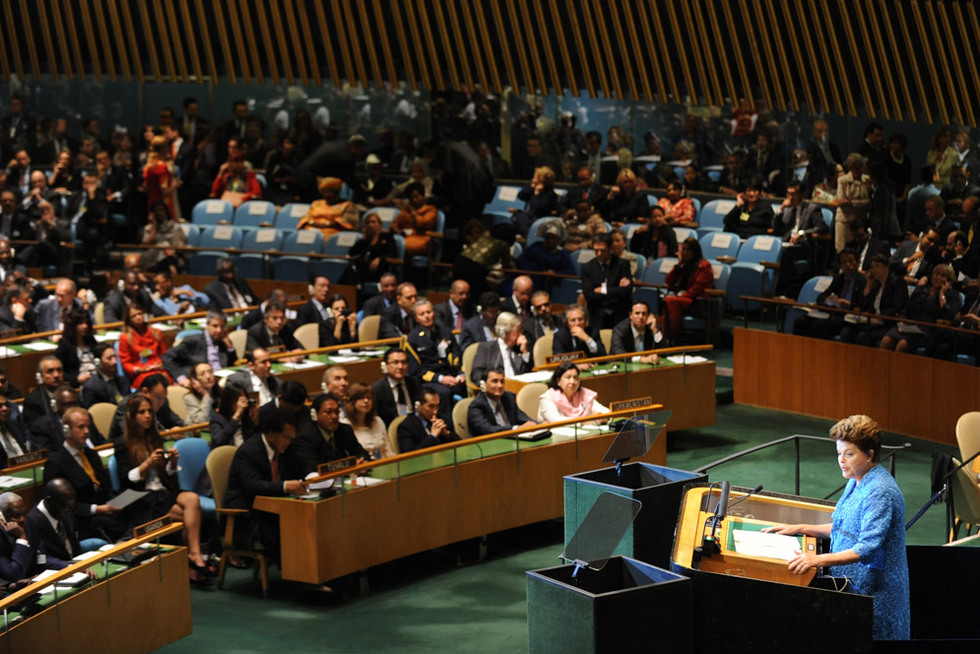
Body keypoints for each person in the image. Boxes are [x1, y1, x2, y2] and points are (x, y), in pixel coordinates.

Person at [764, 415, 909, 640]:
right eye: (839, 453)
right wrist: (801, 527)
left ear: (870, 455)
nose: (841, 460)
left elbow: (866, 548)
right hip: (852, 587)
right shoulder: (856, 478)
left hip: (874, 595)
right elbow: (843, 527)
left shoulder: (880, 491)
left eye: (849, 454)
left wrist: (816, 560)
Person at [114, 395, 212, 584]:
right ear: (132, 416)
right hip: (141, 497)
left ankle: (194, 554)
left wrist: (172, 464)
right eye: (142, 412)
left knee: (192, 499)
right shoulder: (122, 443)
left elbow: (166, 476)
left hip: (162, 493)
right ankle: (192, 564)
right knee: (188, 517)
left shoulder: (154, 437)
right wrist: (147, 463)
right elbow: (126, 479)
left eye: (150, 411)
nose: (148, 416)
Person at [223, 407, 307, 558]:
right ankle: (296, 578)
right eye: (286, 437)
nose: (289, 442)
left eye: (291, 437)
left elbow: (300, 469)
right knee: (289, 529)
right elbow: (253, 485)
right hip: (248, 516)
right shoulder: (248, 452)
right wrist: (285, 486)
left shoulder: (288, 447)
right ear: (270, 433)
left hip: (275, 509)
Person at [42, 407, 127, 541]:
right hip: (82, 520)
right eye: (81, 427)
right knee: (120, 526)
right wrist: (97, 509)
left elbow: (106, 487)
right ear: (66, 430)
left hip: (106, 511)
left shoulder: (92, 455)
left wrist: (118, 503)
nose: (86, 431)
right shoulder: (56, 462)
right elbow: (59, 506)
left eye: (88, 426)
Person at [880, 264, 960, 353]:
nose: (938, 277)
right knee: (886, 340)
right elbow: (905, 310)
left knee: (902, 345)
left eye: (942, 276)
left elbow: (949, 314)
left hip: (926, 330)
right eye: (936, 274)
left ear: (949, 281)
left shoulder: (952, 295)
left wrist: (941, 295)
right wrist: (902, 322)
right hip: (908, 326)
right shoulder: (921, 290)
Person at [292, 393, 369, 477]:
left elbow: (362, 453)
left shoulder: (345, 430)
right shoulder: (305, 437)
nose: (334, 416)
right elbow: (312, 469)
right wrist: (349, 467)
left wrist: (362, 462)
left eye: (337, 411)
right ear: (314, 415)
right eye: (328, 412)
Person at [663, 237, 714, 343]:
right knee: (664, 300)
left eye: (688, 250)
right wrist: (679, 264)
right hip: (683, 300)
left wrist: (680, 296)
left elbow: (698, 289)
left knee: (671, 301)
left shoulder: (704, 266)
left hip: (697, 302)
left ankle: (671, 339)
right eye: (683, 250)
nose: (685, 253)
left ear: (695, 252)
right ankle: (663, 337)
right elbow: (669, 281)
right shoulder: (684, 265)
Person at [162, 310, 235, 385]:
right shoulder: (193, 341)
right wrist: (181, 378)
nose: (219, 330)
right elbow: (167, 357)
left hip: (223, 378)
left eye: (222, 327)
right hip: (201, 382)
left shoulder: (223, 341)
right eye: (215, 326)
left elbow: (232, 364)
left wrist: (230, 347)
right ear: (207, 325)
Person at [581, 233, 633, 330]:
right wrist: (615, 290)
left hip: (619, 313)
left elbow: (626, 291)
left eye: (603, 250)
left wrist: (602, 290)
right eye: (596, 250)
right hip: (597, 314)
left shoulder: (622, 264)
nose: (599, 254)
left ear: (610, 248)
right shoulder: (587, 267)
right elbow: (589, 295)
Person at [467, 368, 536, 436]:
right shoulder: (477, 406)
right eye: (495, 381)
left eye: (502, 381)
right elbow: (487, 430)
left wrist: (538, 424)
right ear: (484, 384)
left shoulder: (509, 397)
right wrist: (516, 428)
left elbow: (522, 417)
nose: (499, 386)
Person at [470, 312, 533, 382]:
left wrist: (525, 352)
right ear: (504, 332)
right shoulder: (486, 348)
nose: (521, 335)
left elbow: (528, 373)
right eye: (517, 331)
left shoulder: (518, 348)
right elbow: (476, 374)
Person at [118, 305, 170, 389]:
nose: (138, 317)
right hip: (141, 373)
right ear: (129, 320)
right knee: (154, 384)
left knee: (167, 380)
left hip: (158, 370)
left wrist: (162, 364)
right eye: (134, 316)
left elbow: (164, 355)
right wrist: (139, 369)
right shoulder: (125, 338)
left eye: (140, 314)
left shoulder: (156, 333)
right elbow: (125, 363)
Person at [537, 362, 608, 423]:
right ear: (558, 381)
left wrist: (601, 417)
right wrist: (587, 421)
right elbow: (556, 421)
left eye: (575, 378)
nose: (572, 382)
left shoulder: (583, 394)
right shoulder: (547, 398)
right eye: (568, 378)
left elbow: (606, 412)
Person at [372, 348, 425, 427]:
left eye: (404, 362)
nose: (400, 367)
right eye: (395, 363)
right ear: (386, 365)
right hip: (392, 429)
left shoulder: (414, 382)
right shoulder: (377, 389)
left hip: (415, 426)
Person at [347, 213, 396, 295]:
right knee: (352, 266)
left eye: (373, 222)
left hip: (381, 269)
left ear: (380, 224)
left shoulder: (387, 236)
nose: (371, 225)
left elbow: (393, 253)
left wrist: (380, 259)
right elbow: (352, 252)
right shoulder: (366, 240)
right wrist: (364, 238)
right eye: (368, 223)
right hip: (365, 270)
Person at [396, 388, 458, 453]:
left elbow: (461, 444)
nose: (435, 411)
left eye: (437, 406)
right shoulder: (406, 427)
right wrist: (432, 437)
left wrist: (447, 434)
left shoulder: (441, 418)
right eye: (431, 406)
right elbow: (409, 455)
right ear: (418, 406)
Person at [296, 176, 358, 240]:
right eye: (324, 192)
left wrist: (325, 225)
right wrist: (317, 224)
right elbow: (306, 218)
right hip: (311, 231)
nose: (327, 194)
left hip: (333, 234)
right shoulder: (316, 203)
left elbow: (349, 224)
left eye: (330, 192)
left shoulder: (347, 205)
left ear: (337, 192)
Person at [342, 383, 392, 459]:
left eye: (369, 398)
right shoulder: (345, 425)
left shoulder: (377, 421)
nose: (366, 401)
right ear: (352, 401)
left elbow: (387, 450)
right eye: (361, 398)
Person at [834, 153, 872, 252]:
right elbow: (841, 201)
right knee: (842, 250)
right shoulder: (842, 180)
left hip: (861, 222)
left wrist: (850, 202)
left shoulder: (867, 180)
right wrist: (860, 203)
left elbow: (869, 203)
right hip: (844, 221)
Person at [391, 181, 439, 257]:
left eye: (416, 197)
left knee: (398, 245)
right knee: (388, 242)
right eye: (411, 198)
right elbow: (395, 224)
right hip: (403, 236)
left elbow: (424, 223)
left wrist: (414, 214)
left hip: (422, 239)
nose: (414, 200)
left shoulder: (431, 210)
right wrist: (397, 230)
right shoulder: (406, 209)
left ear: (423, 196)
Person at [54, 307, 98, 387]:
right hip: (78, 384)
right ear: (73, 325)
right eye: (81, 323)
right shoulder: (65, 344)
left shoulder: (90, 339)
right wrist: (77, 379)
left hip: (96, 379)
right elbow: (58, 370)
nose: (85, 326)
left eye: (86, 323)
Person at [210, 382, 260, 448]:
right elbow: (219, 442)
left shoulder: (246, 417)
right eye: (241, 400)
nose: (243, 404)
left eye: (245, 399)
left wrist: (256, 420)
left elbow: (256, 439)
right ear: (230, 401)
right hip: (227, 455)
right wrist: (236, 417)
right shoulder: (217, 419)